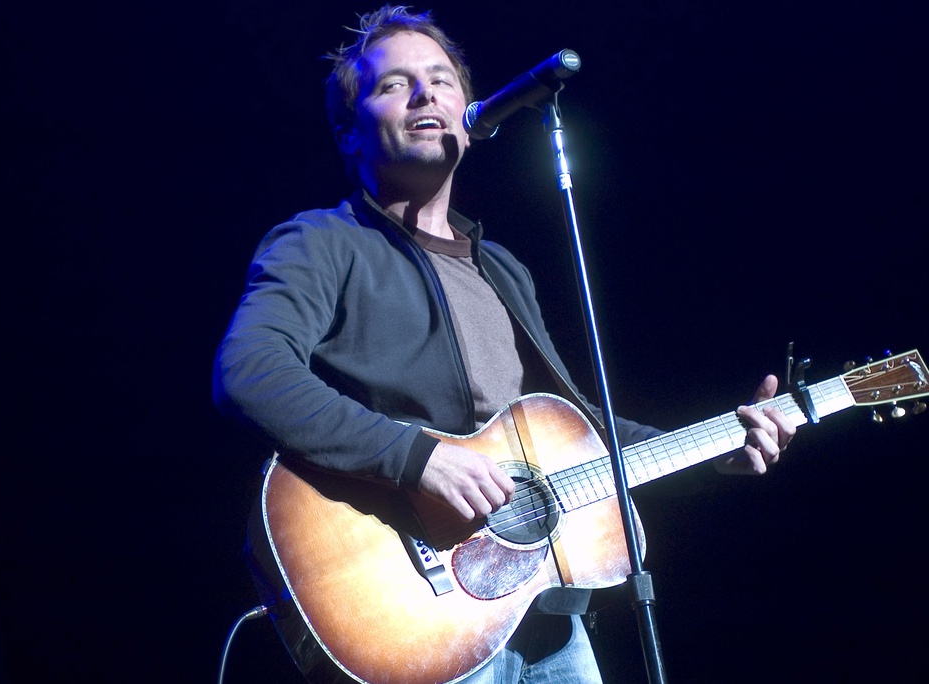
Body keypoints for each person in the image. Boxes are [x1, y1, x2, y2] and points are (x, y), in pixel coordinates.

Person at [213, 5, 795, 683]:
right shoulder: (321, 243)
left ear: (469, 116)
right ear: (348, 130)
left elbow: (580, 432)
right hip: (414, 609)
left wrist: (717, 448)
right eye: (394, 84)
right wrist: (418, 458)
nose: (426, 94)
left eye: (441, 80)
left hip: (542, 610)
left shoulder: (504, 270)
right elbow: (249, 371)